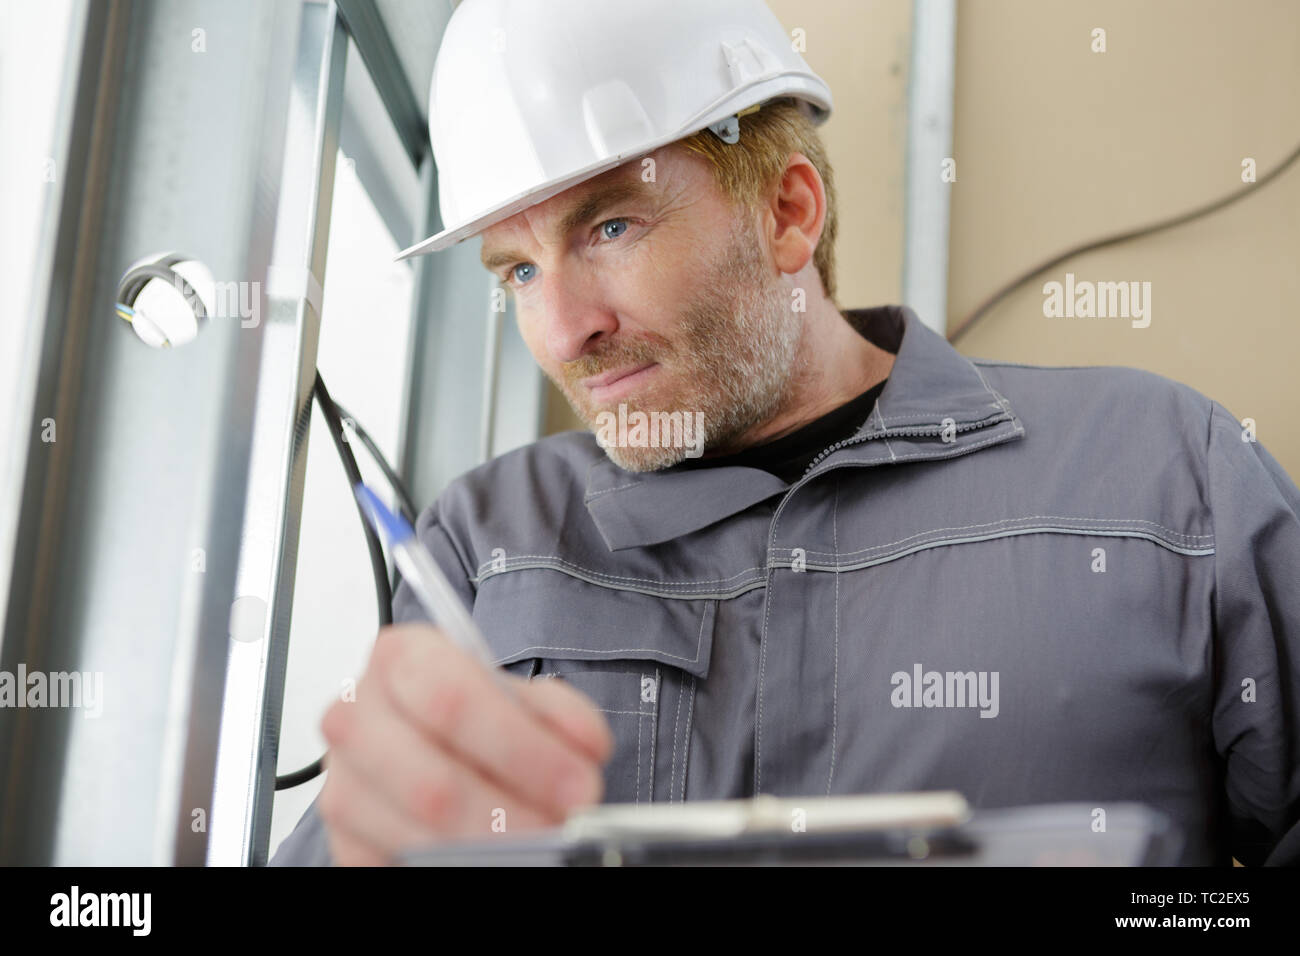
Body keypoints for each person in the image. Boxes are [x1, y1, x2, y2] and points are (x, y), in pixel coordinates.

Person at [270, 0, 1300, 866]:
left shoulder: (1165, 474)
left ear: (787, 209)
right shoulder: (484, 538)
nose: (559, 329)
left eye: (610, 226)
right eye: (518, 269)